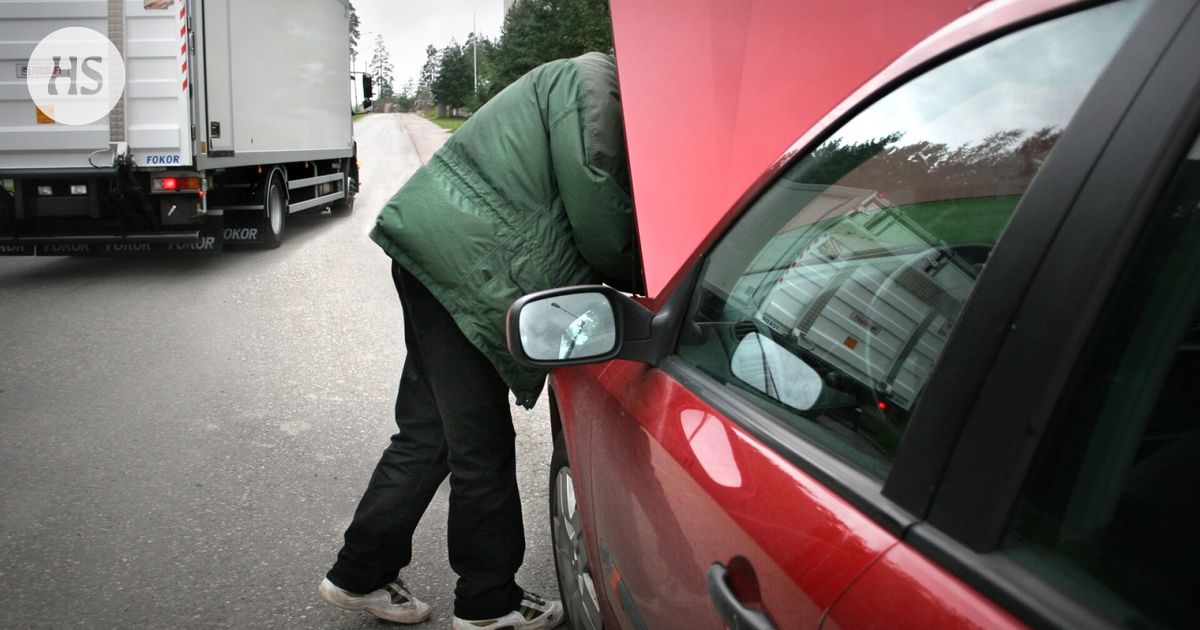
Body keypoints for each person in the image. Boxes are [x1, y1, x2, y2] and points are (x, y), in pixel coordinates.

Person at [318, 51, 636, 630]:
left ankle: (358, 573)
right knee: (480, 446)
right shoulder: (597, 86)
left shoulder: (583, 80)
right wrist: (652, 280)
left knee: (428, 433)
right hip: (473, 264)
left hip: (439, 255)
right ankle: (488, 603)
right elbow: (600, 214)